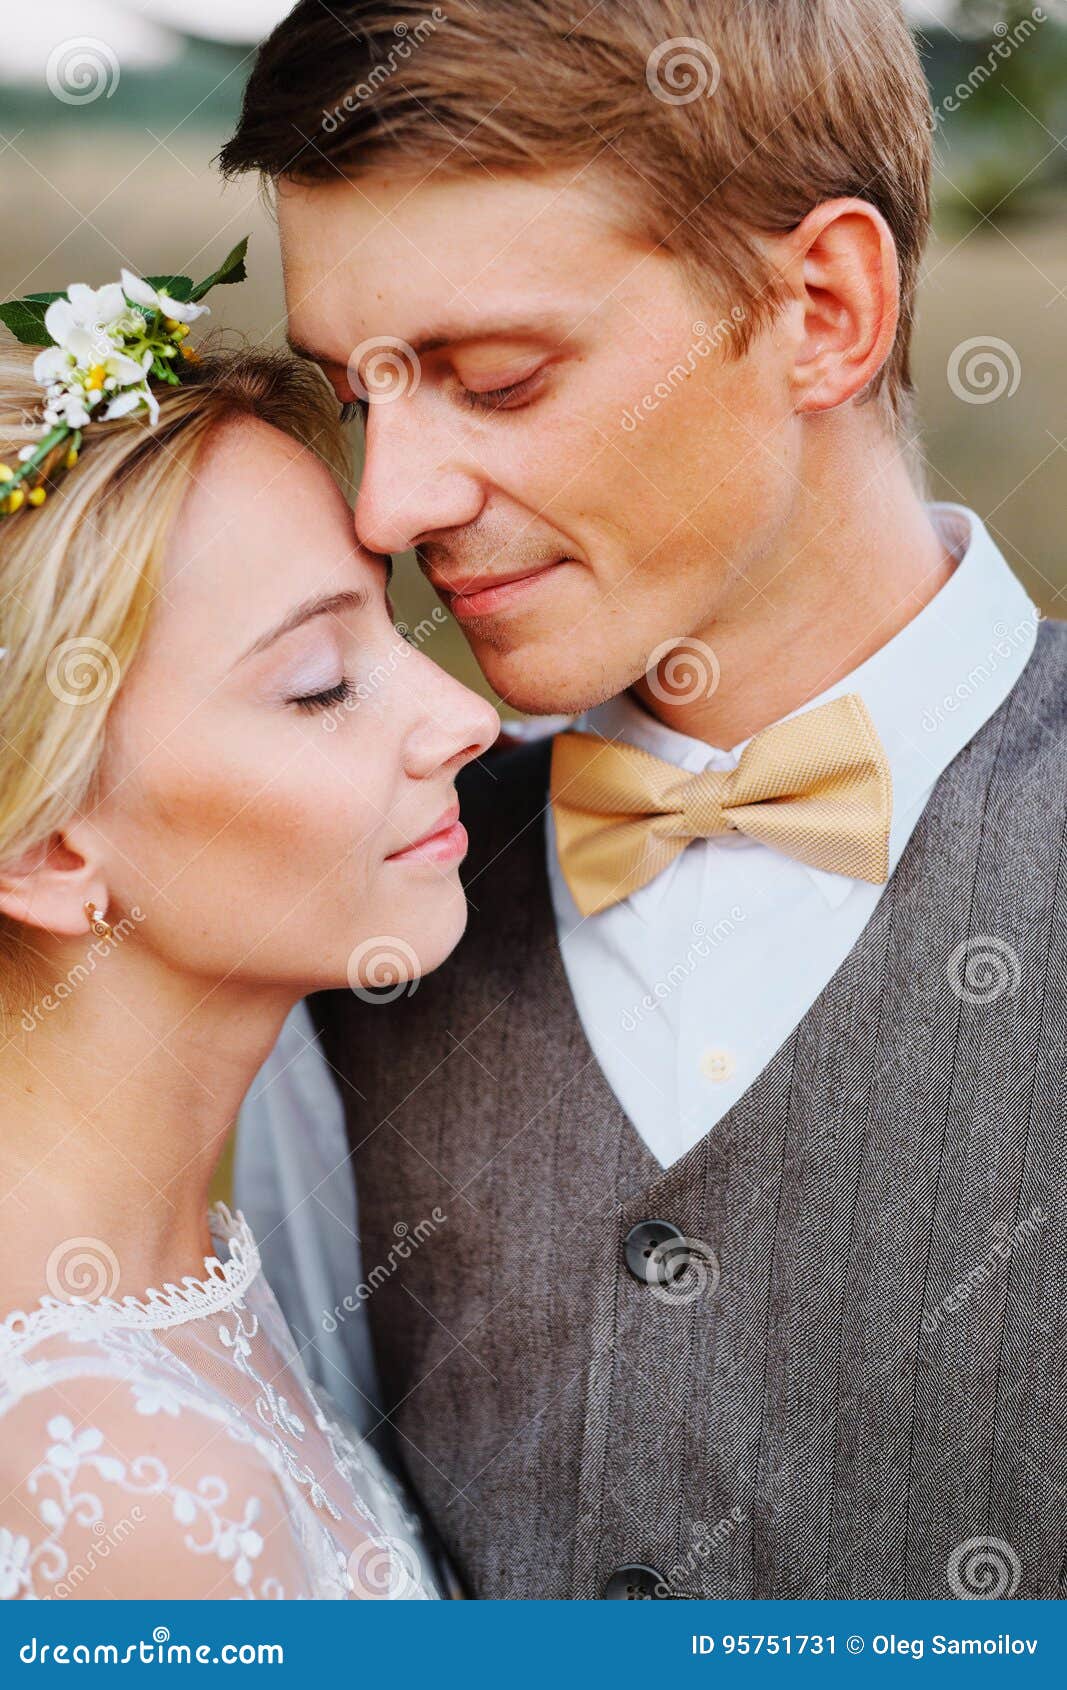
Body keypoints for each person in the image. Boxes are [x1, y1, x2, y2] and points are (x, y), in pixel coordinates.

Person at [226, 0, 1067, 1601]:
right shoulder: (344, 908)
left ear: (824, 306)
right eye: (358, 392)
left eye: (500, 378)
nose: (392, 502)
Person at [0, 261, 497, 1599]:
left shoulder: (186, 1275)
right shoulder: (121, 1484)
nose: (467, 721)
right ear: (49, 850)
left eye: (395, 632)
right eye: (321, 684)